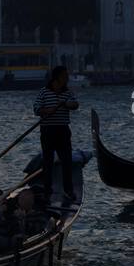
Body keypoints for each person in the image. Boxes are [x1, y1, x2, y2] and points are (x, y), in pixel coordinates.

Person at [33, 65, 81, 204]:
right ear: (58, 77)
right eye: (65, 75)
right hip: (48, 131)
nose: (67, 78)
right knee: (47, 162)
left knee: (66, 161)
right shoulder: (44, 92)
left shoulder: (67, 93)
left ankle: (68, 190)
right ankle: (47, 192)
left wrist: (65, 104)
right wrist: (48, 111)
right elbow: (36, 109)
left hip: (63, 130)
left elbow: (75, 105)